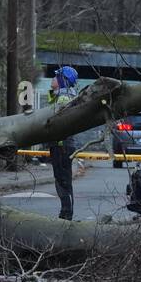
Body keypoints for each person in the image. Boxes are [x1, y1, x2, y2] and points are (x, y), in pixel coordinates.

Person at [47, 65, 80, 220]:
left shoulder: (64, 98)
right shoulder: (59, 96)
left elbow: (59, 122)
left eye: (56, 76)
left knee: (63, 181)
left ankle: (66, 214)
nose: (52, 79)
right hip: (59, 145)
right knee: (61, 180)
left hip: (62, 145)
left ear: (62, 80)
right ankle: (66, 213)